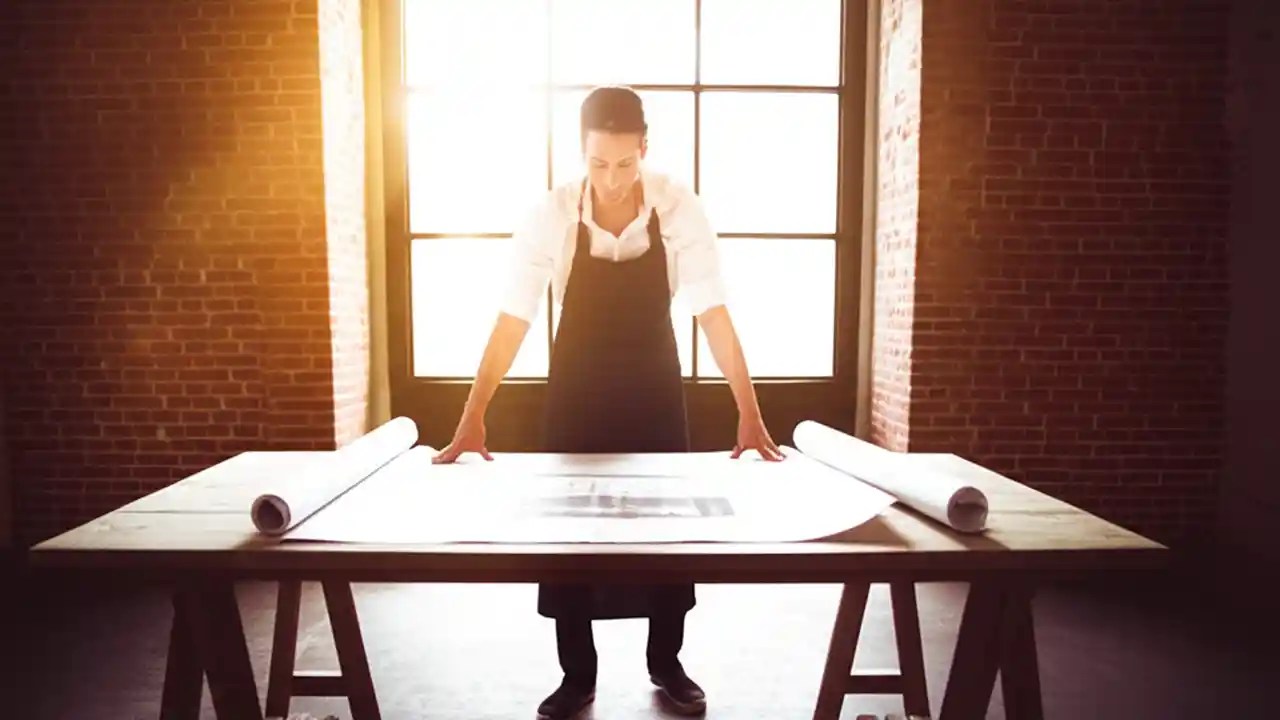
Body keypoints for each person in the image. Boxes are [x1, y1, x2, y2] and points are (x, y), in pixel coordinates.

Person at [432, 85, 783, 720]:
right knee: (568, 534)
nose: (613, 179)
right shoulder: (552, 213)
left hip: (654, 383)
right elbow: (513, 317)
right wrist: (472, 415)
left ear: (644, 148)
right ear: (581, 153)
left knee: (668, 531)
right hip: (578, 386)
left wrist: (750, 413)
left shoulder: (677, 207)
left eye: (625, 162)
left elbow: (712, 310)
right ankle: (577, 675)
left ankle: (666, 662)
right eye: (599, 163)